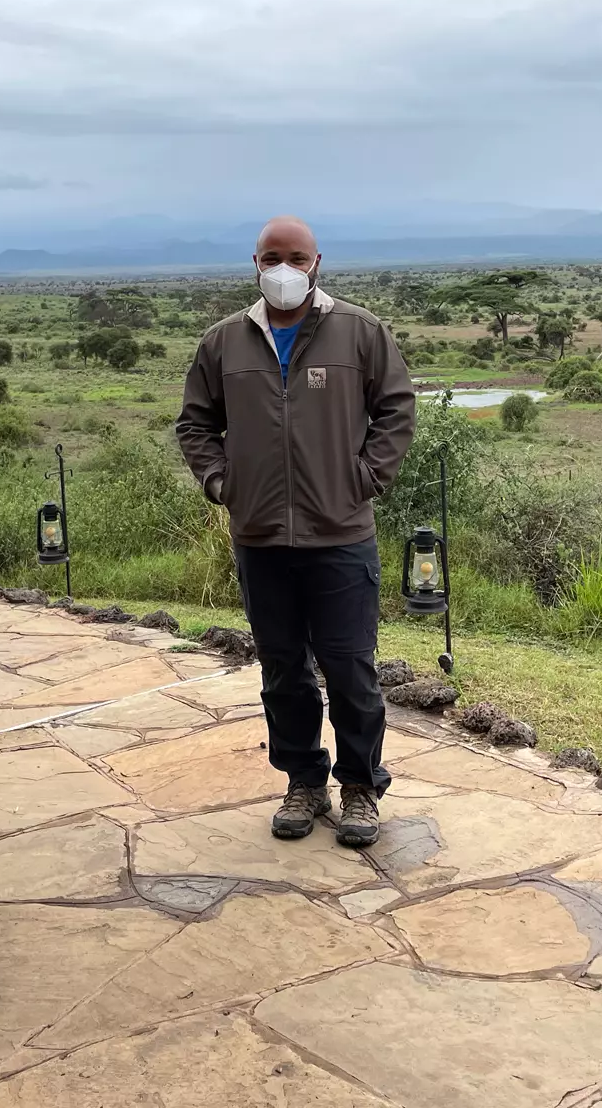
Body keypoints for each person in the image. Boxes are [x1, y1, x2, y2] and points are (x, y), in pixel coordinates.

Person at [177, 216, 415, 847]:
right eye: (272, 257)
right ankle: (303, 782)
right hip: (259, 537)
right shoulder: (224, 342)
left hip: (340, 533)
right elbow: (195, 427)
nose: (284, 268)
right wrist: (224, 486)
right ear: (254, 262)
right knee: (282, 669)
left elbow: (396, 409)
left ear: (317, 262)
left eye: (296, 257)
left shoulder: (360, 332)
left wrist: (364, 479)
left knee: (351, 669)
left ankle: (360, 788)